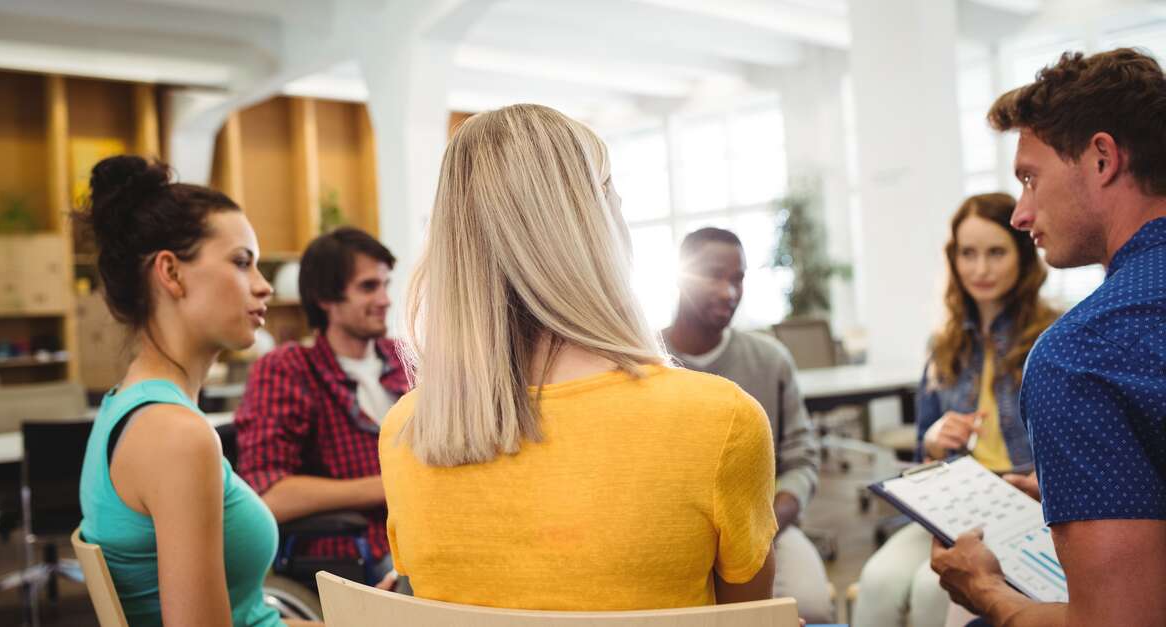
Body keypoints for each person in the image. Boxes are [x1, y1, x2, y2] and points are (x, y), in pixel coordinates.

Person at [379, 103, 779, 610]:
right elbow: (746, 619)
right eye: (616, 201)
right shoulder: (720, 422)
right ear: (598, 230)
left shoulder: (407, 432)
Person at [931, 48, 1166, 626]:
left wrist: (986, 591)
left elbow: (1117, 623)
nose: (1021, 213)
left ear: (1102, 157)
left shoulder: (1080, 354)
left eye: (1030, 178)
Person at [76, 156, 317, 626]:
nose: (263, 286)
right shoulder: (174, 435)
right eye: (242, 263)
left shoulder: (131, 407)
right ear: (171, 273)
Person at [853, 192, 1057, 627]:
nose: (980, 269)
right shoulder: (944, 345)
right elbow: (923, 454)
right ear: (954, 258)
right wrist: (931, 439)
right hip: (951, 506)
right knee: (877, 582)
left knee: (933, 588)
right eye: (968, 253)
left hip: (1018, 508)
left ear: (1022, 255)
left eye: (996, 252)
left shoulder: (1053, 335)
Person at [662, 227, 831, 623]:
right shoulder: (643, 362)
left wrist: (765, 528)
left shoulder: (770, 360)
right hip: (674, 537)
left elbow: (802, 459)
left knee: (812, 608)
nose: (728, 291)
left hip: (766, 531)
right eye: (712, 275)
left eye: (737, 278)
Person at [235, 227, 408, 586]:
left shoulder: (405, 359)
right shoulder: (289, 369)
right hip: (355, 552)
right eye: (368, 287)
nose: (385, 299)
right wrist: (391, 484)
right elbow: (267, 494)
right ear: (325, 298)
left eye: (386, 284)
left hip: (427, 532)